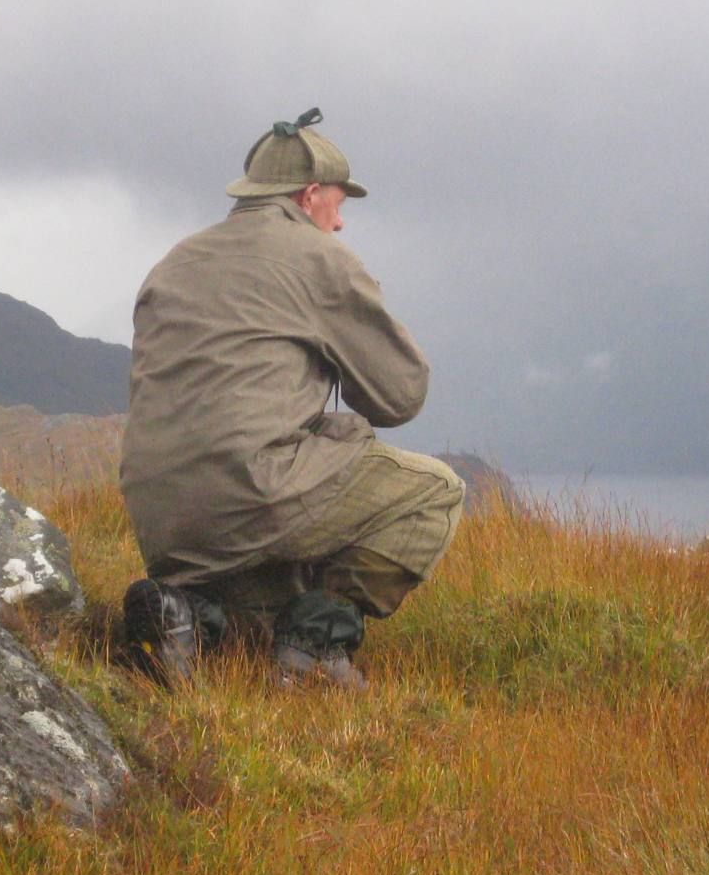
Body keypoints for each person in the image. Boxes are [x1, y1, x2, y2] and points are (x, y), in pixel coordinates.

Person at [119, 107, 464, 687]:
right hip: (254, 491)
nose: (341, 223)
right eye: (339, 205)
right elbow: (400, 397)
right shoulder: (319, 258)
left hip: (159, 515)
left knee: (261, 615)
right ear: (310, 197)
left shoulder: (173, 262)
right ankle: (315, 646)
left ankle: (186, 615)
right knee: (435, 491)